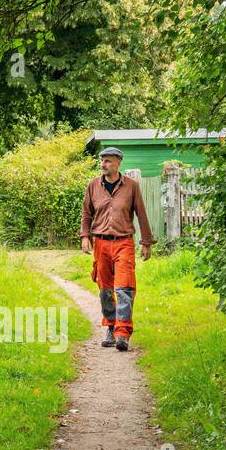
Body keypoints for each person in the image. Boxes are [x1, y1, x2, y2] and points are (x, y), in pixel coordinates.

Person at [79, 146, 154, 351]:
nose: (103, 164)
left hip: (124, 242)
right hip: (101, 243)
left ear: (118, 162)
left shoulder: (132, 186)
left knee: (124, 288)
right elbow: (86, 214)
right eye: (102, 160)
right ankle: (110, 327)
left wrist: (146, 242)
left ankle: (123, 333)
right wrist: (85, 237)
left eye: (108, 161)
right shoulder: (93, 186)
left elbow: (141, 214)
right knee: (105, 289)